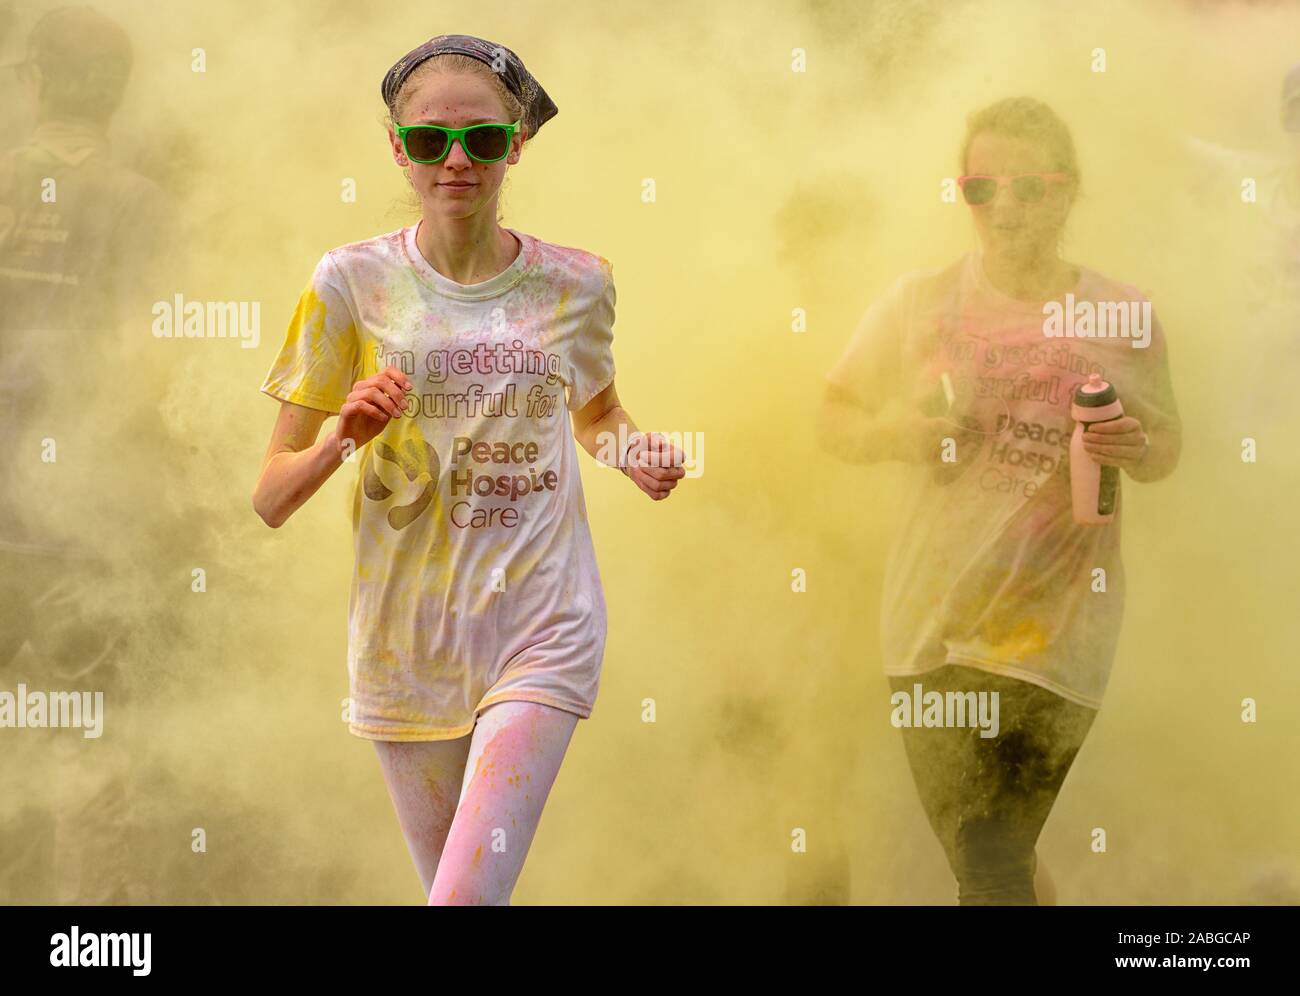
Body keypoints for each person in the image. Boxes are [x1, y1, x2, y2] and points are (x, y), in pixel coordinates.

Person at [253, 34, 685, 905]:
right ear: (397, 149)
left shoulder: (577, 284)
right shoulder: (348, 282)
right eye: (429, 142)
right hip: (405, 639)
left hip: (542, 623)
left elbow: (596, 417)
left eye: (484, 139)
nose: (456, 161)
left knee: (462, 900)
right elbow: (269, 496)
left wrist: (640, 456)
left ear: (517, 142)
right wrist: (345, 433)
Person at [820, 97, 1182, 904]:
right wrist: (897, 433)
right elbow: (831, 417)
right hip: (929, 630)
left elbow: (1165, 447)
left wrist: (1136, 445)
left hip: (1057, 634)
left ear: (1068, 193)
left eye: (1029, 188)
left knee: (988, 854)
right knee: (989, 862)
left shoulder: (1122, 317)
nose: (1004, 209)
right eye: (982, 190)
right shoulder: (921, 302)